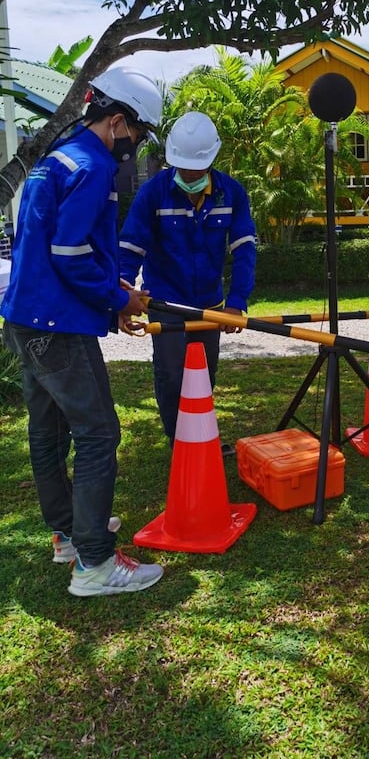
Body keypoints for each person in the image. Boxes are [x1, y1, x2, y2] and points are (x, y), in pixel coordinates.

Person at [1, 66, 165, 597]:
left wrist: (113, 290)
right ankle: (94, 564)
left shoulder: (56, 159)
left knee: (47, 433)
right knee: (99, 435)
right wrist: (120, 297)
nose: (135, 146)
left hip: (26, 321)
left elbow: (65, 247)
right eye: (138, 136)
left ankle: (69, 537)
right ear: (118, 122)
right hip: (59, 327)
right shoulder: (94, 166)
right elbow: (69, 254)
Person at [119, 111, 256, 453]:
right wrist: (123, 294)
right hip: (165, 305)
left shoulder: (232, 194)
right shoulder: (153, 194)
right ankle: (179, 440)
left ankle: (202, 435)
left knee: (204, 376)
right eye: (184, 168)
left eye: (197, 168)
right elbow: (130, 250)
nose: (191, 174)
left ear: (211, 159)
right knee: (171, 376)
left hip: (210, 305)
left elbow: (244, 251)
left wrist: (238, 301)